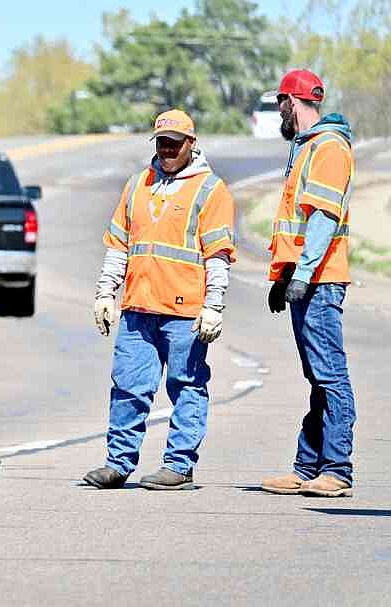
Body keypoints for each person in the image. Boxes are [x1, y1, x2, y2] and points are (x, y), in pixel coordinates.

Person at [83, 109, 237, 491]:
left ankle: (179, 466)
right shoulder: (138, 185)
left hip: (185, 313)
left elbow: (217, 253)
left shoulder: (210, 189)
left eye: (175, 143)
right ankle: (118, 464)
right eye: (162, 142)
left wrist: (214, 305)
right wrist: (106, 292)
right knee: (128, 387)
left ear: (192, 144)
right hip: (138, 308)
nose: (168, 149)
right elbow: (119, 245)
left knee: (186, 386)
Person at [261, 69, 356, 498]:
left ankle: (336, 470)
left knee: (331, 375)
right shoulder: (306, 148)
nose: (279, 110)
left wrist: (301, 274)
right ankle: (307, 467)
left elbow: (323, 217)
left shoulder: (328, 147)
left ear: (291, 102)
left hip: (319, 279)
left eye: (280, 102)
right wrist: (283, 277)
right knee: (319, 376)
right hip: (304, 278)